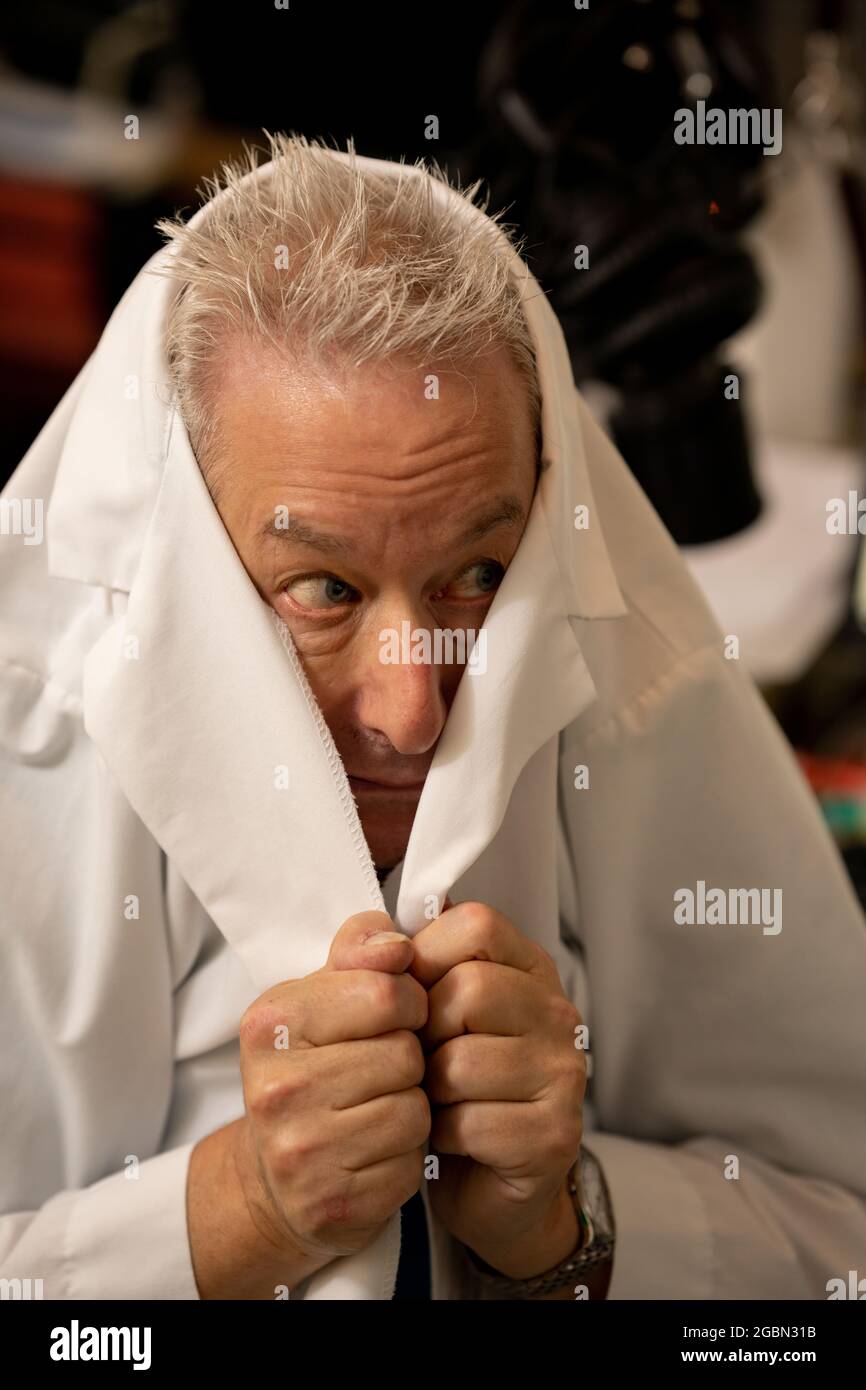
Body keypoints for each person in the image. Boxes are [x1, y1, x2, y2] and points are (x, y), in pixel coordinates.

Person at [1, 133, 864, 1301]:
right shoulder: (28, 737)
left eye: (474, 574)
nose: (412, 713)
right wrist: (230, 1216)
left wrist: (572, 1231)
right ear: (185, 554)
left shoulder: (632, 691)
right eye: (323, 590)